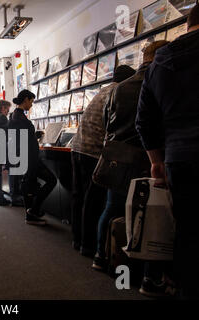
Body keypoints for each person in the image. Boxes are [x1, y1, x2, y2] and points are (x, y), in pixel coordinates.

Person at [136, 4, 199, 299]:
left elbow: (144, 121)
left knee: (186, 232)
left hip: (178, 158)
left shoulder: (160, 62)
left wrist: (156, 163)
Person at [92, 40, 169, 272]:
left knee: (111, 208)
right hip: (149, 157)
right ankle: (147, 273)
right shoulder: (160, 81)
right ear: (160, 56)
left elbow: (107, 123)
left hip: (118, 158)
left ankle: (100, 256)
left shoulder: (119, 88)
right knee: (152, 214)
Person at [70, 65, 136, 256]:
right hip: (94, 152)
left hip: (77, 148)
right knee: (94, 201)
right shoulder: (119, 93)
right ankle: (89, 246)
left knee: (79, 196)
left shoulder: (102, 91)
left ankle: (77, 239)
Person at [8, 90, 57, 225]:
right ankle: (32, 211)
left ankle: (32, 212)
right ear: (25, 100)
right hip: (30, 158)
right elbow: (22, 139)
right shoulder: (19, 118)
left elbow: (22, 137)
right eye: (31, 101)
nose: (32, 104)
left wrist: (35, 136)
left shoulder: (15, 116)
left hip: (27, 157)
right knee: (50, 181)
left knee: (30, 184)